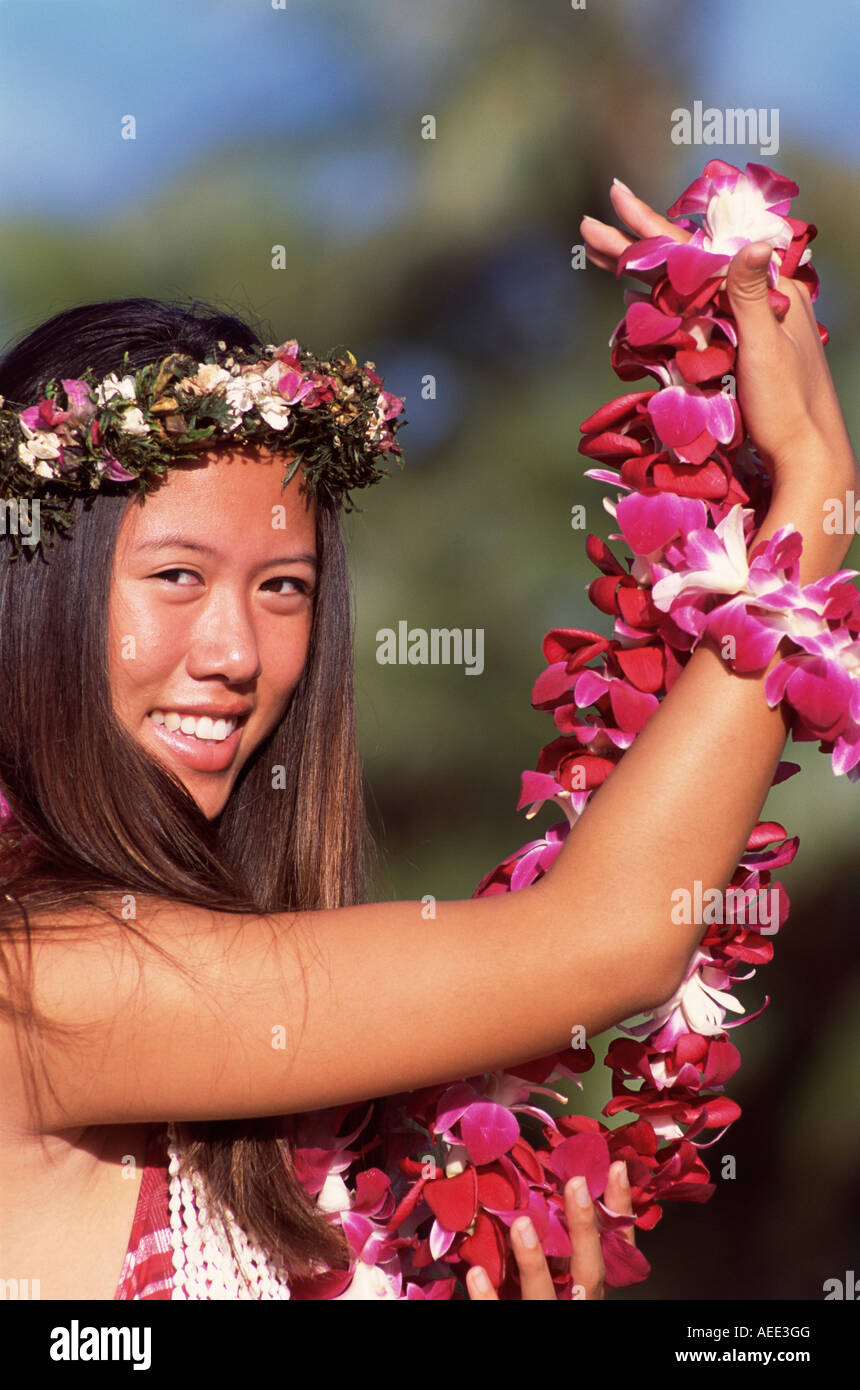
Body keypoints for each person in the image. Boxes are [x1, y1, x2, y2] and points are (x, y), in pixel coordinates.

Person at [0, 179, 856, 1303]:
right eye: (175, 576)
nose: (236, 651)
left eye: (283, 587)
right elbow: (606, 942)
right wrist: (815, 487)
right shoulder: (40, 981)